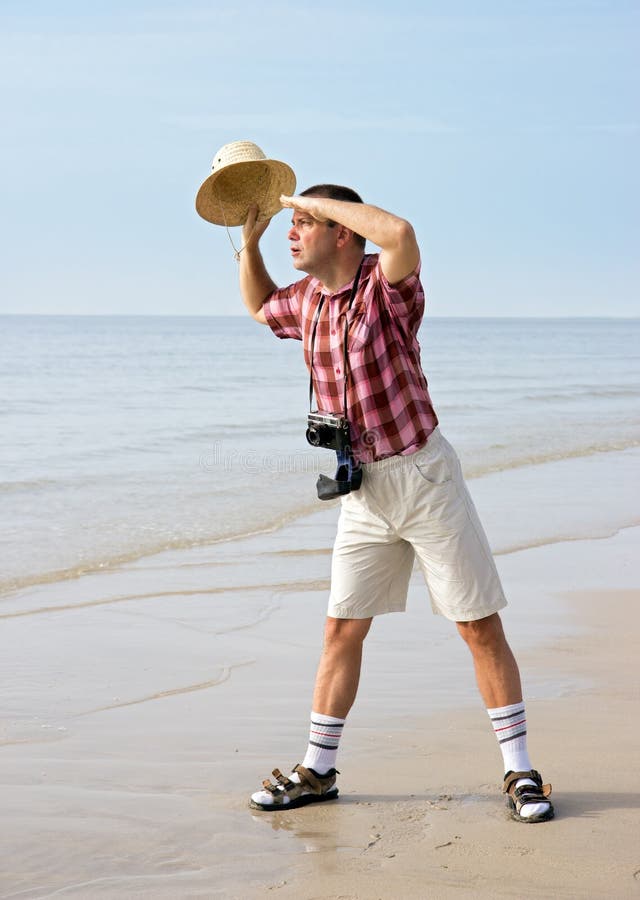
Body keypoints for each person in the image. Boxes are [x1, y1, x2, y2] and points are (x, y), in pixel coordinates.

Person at [237, 184, 554, 823]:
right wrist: (248, 242)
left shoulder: (386, 289)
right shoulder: (307, 303)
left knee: (477, 625)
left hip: (424, 479)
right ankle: (318, 771)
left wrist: (310, 196)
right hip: (363, 491)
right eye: (290, 225)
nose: (291, 233)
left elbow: (401, 232)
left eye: (305, 224)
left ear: (343, 234)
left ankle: (521, 772)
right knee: (342, 627)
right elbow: (260, 308)